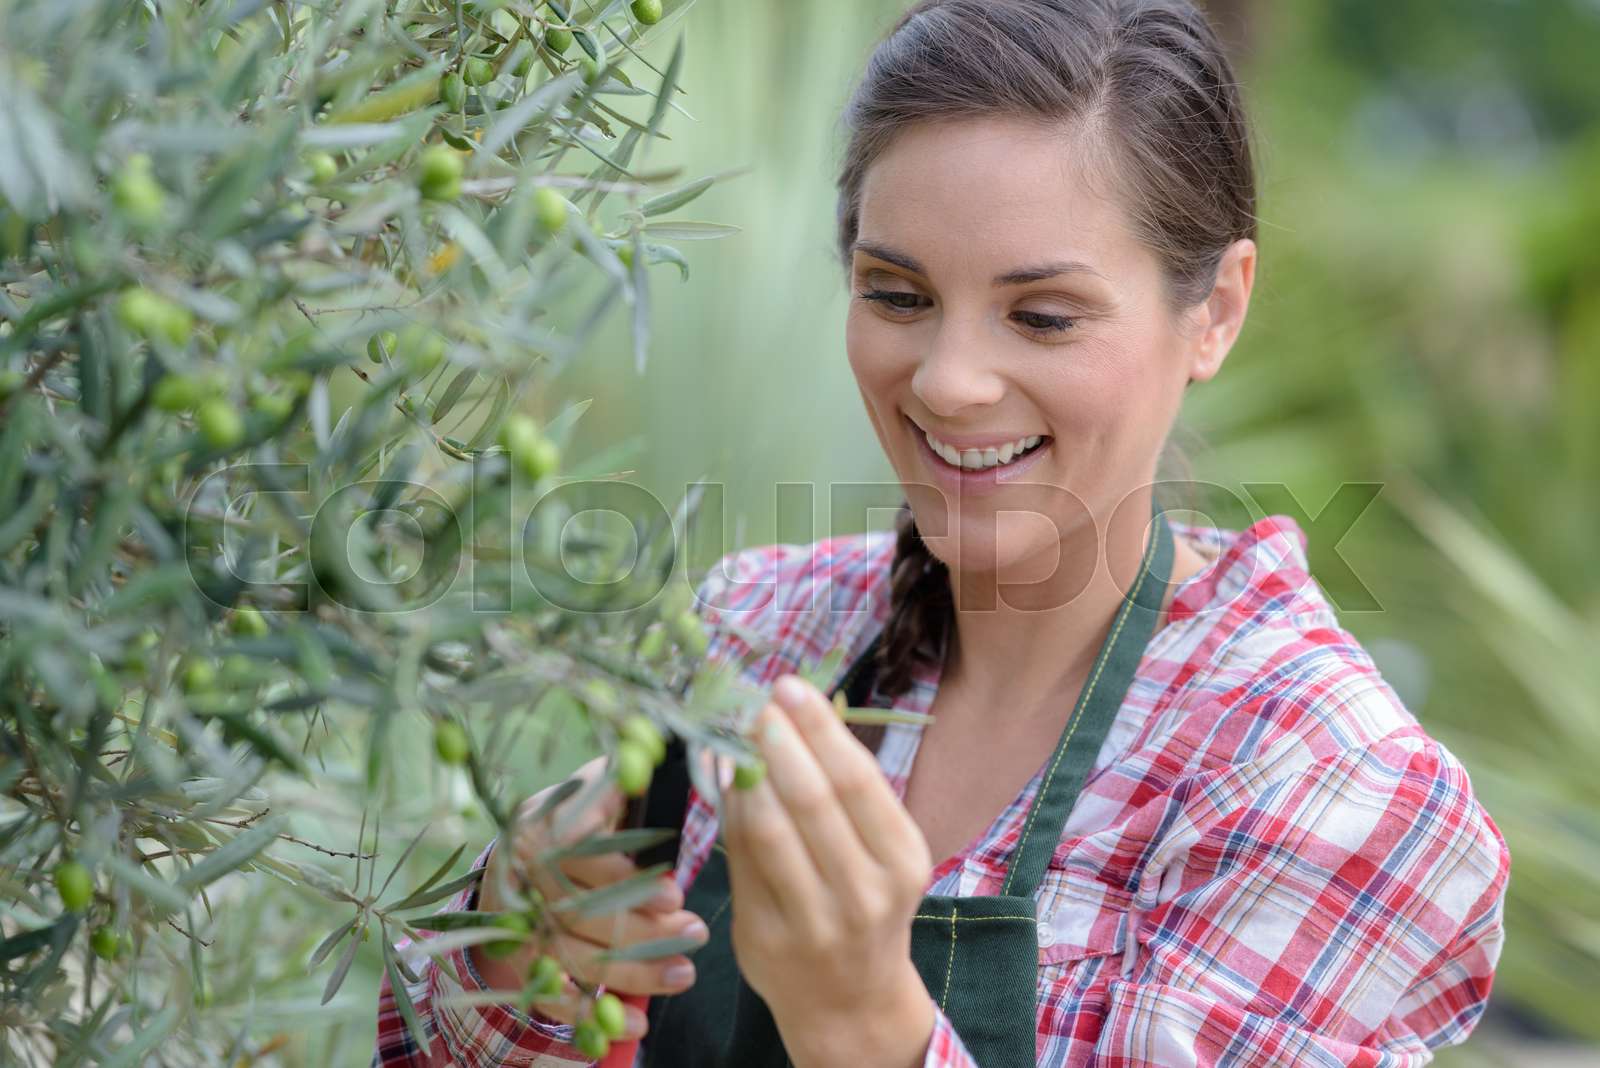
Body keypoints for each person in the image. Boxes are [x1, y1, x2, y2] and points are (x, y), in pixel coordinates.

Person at [375, 0, 1511, 1064]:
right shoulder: (756, 632)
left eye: (1042, 316)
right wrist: (508, 948)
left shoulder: (1324, 786)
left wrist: (865, 1022)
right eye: (899, 296)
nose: (949, 380)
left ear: (1213, 309)